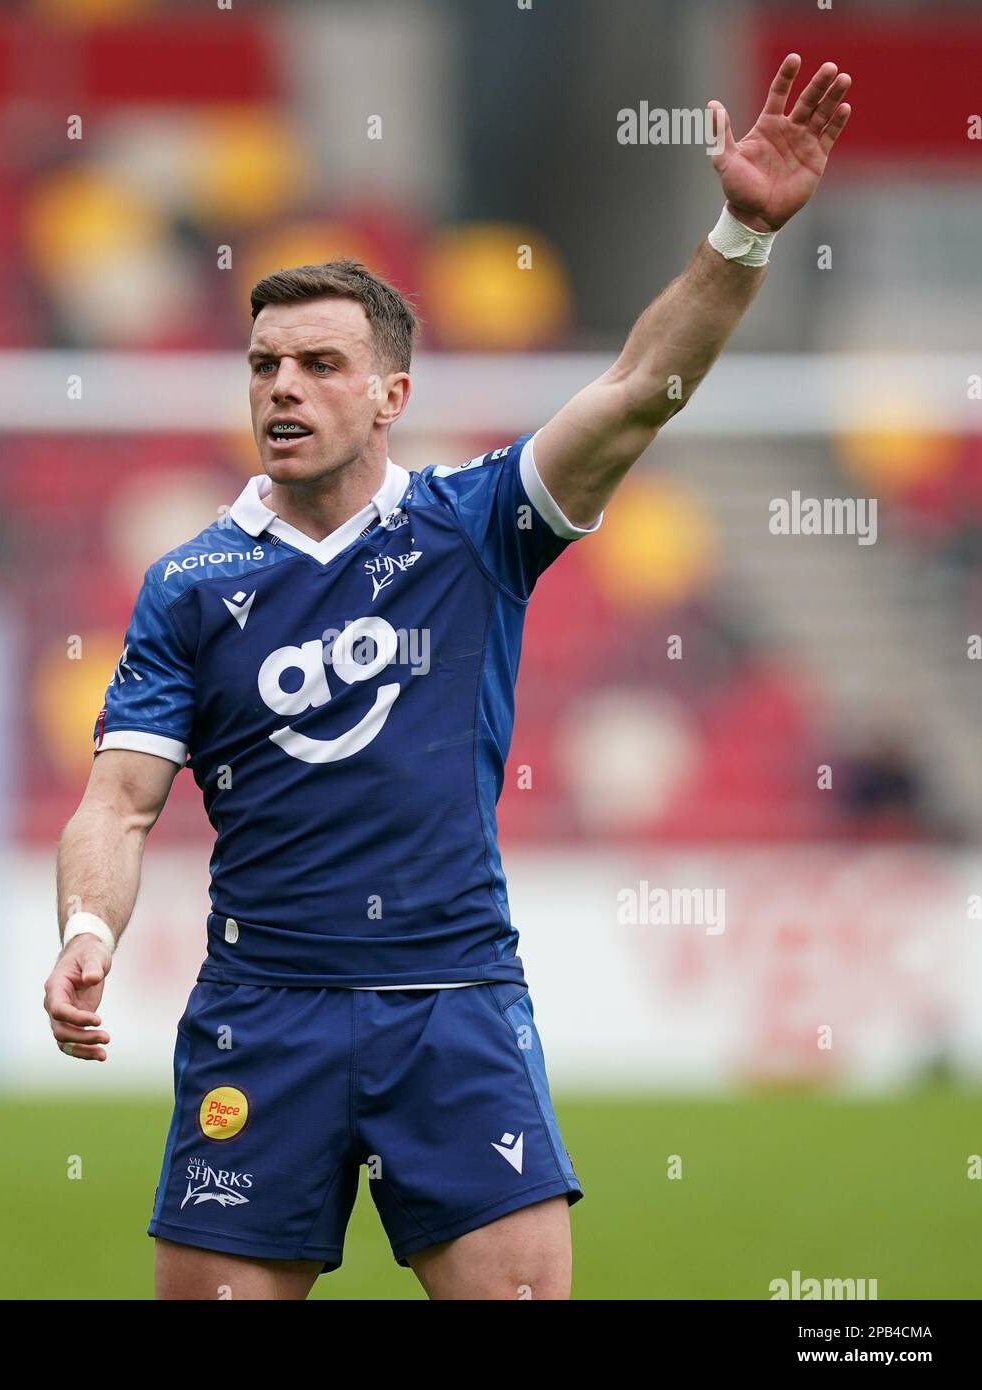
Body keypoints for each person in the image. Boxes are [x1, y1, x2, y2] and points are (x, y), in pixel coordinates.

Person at [45, 54, 852, 1299]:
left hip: (454, 1000)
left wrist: (740, 230)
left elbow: (640, 390)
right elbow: (119, 801)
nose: (283, 388)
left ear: (391, 396)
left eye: (318, 364)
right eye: (264, 364)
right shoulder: (190, 583)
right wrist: (89, 927)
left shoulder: (473, 527)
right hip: (263, 1010)